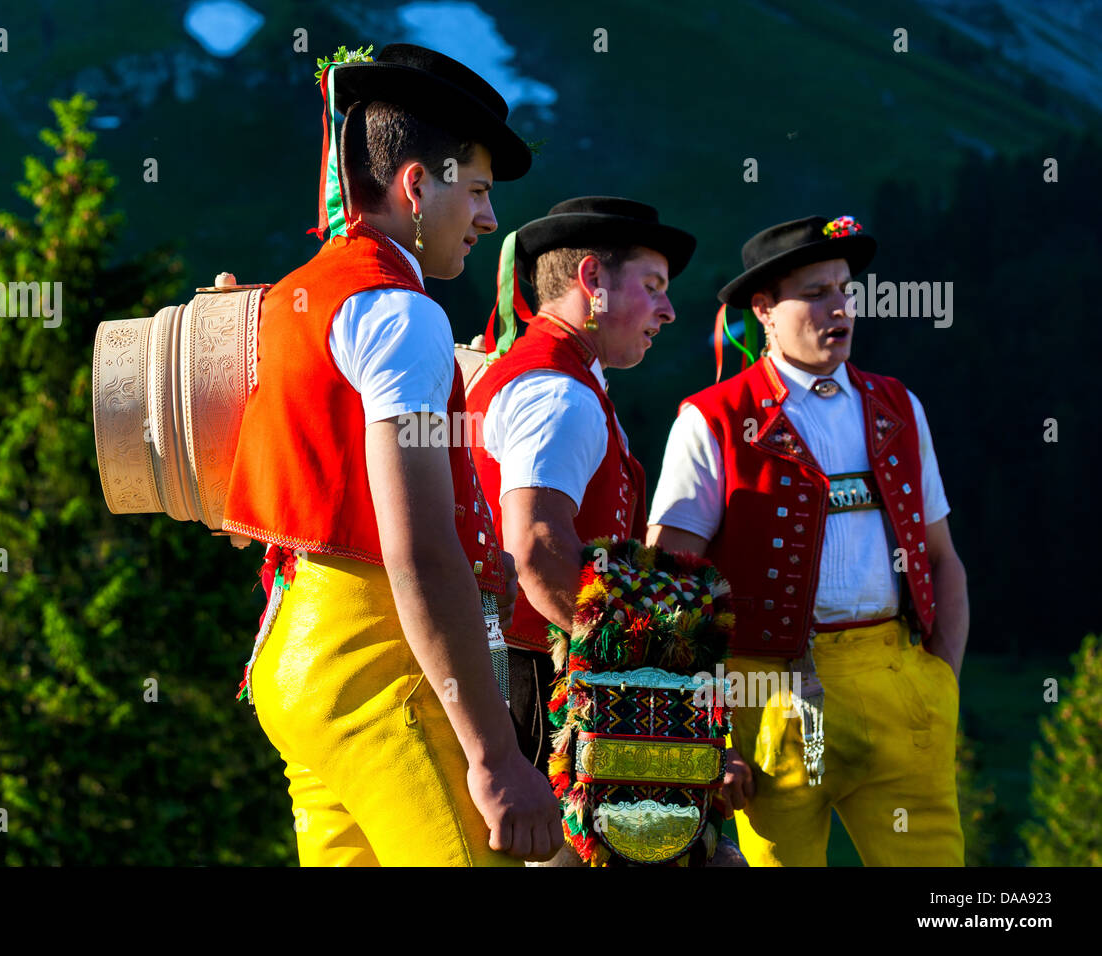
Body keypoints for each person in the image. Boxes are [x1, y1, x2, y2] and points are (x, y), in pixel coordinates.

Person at [223, 43, 563, 866]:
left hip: (294, 661)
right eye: (477, 191)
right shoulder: (400, 315)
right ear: (418, 185)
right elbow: (417, 550)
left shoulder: (294, 296)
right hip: (378, 670)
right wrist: (495, 759)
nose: (489, 219)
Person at [647, 215, 969, 866]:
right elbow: (669, 586)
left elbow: (941, 560)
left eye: (846, 289)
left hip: (896, 678)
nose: (840, 307)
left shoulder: (898, 406)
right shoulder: (711, 418)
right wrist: (709, 734)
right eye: (816, 292)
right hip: (764, 692)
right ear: (763, 308)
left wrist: (942, 686)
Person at [465, 197, 752, 825]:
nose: (669, 311)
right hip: (534, 680)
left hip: (514, 667)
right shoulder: (559, 391)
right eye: (652, 288)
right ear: (591, 280)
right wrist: (648, 686)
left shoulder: (540, 374)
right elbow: (537, 550)